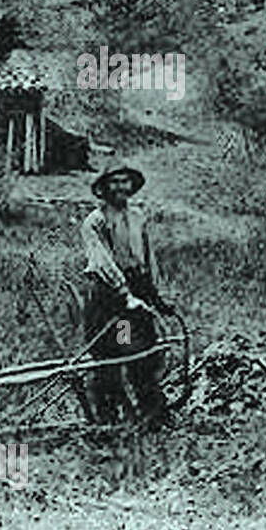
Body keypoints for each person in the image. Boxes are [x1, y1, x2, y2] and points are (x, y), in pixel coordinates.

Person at [80, 164, 173, 427]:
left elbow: (148, 258)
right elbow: (101, 262)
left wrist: (158, 296)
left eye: (125, 182)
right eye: (115, 182)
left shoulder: (137, 218)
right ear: (104, 188)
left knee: (144, 357)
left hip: (138, 292)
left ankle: (154, 417)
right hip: (111, 299)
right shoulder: (95, 221)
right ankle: (110, 422)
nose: (121, 187)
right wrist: (125, 295)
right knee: (113, 357)